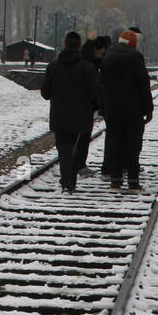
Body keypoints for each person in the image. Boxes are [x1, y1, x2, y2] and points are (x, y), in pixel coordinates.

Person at [40, 31, 103, 195]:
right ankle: (70, 181)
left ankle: (67, 182)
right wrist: (98, 107)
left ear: (64, 45)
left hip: (59, 115)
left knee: (64, 150)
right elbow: (97, 91)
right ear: (80, 46)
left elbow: (45, 93)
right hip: (81, 116)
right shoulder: (87, 68)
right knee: (75, 149)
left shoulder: (53, 66)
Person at [99, 28, 153, 190]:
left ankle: (115, 179)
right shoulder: (136, 57)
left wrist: (103, 108)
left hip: (113, 109)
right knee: (133, 145)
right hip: (133, 110)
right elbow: (143, 84)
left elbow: (102, 85)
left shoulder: (107, 56)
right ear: (133, 44)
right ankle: (133, 180)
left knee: (115, 143)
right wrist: (148, 109)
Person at [76, 32, 108, 175]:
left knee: (78, 138)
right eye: (101, 52)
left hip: (80, 105)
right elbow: (96, 88)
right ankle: (78, 165)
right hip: (85, 105)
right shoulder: (89, 66)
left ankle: (73, 164)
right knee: (82, 137)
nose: (102, 55)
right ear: (95, 50)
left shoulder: (88, 62)